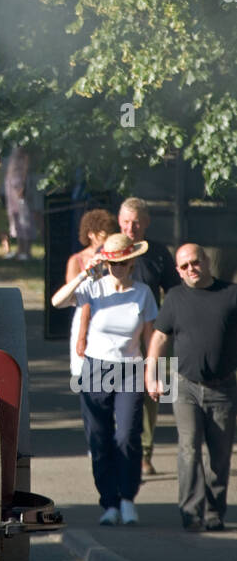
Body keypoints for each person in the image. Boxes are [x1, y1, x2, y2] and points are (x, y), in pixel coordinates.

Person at [51, 233, 158, 526]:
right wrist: (85, 273)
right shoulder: (93, 288)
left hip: (130, 369)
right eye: (112, 264)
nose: (117, 269)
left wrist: (154, 376)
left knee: (126, 435)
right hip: (96, 368)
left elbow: (151, 340)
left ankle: (127, 499)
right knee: (98, 438)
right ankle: (108, 503)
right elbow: (57, 301)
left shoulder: (143, 293)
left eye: (122, 263)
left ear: (132, 262)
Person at [146, 244, 237, 532]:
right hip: (186, 387)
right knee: (188, 449)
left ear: (206, 261)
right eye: (184, 266)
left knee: (219, 455)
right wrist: (152, 374)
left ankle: (213, 512)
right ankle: (190, 511)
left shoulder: (230, 294)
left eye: (195, 263)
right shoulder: (175, 297)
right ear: (177, 270)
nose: (190, 269)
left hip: (222, 389)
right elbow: (159, 337)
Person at [119, 196, 180, 476]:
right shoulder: (110, 252)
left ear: (147, 224)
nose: (131, 229)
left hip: (151, 334)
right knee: (112, 392)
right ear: (119, 222)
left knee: (148, 393)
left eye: (137, 223)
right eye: (127, 222)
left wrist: (169, 326)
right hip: (115, 337)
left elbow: (175, 293)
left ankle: (144, 453)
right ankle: (117, 450)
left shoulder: (158, 254)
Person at [64, 209, 118, 382]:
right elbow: (72, 295)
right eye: (104, 234)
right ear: (91, 234)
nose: (109, 237)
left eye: (111, 233)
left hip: (111, 314)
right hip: (84, 318)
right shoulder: (77, 260)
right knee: (85, 377)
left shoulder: (116, 259)